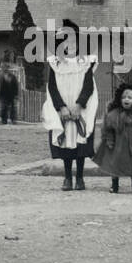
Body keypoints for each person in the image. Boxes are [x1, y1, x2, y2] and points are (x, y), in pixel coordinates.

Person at [43, 50, 98, 191]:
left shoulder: (86, 62)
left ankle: (79, 177)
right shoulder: (55, 63)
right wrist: (61, 107)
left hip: (81, 107)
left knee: (80, 142)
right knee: (66, 143)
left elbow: (88, 86)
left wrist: (79, 105)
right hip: (64, 108)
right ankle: (67, 177)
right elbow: (52, 87)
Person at [93, 81, 132, 193]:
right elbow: (108, 128)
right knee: (115, 164)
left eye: (130, 97)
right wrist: (109, 140)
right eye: (124, 97)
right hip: (119, 144)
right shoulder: (114, 114)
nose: (126, 99)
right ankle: (115, 185)